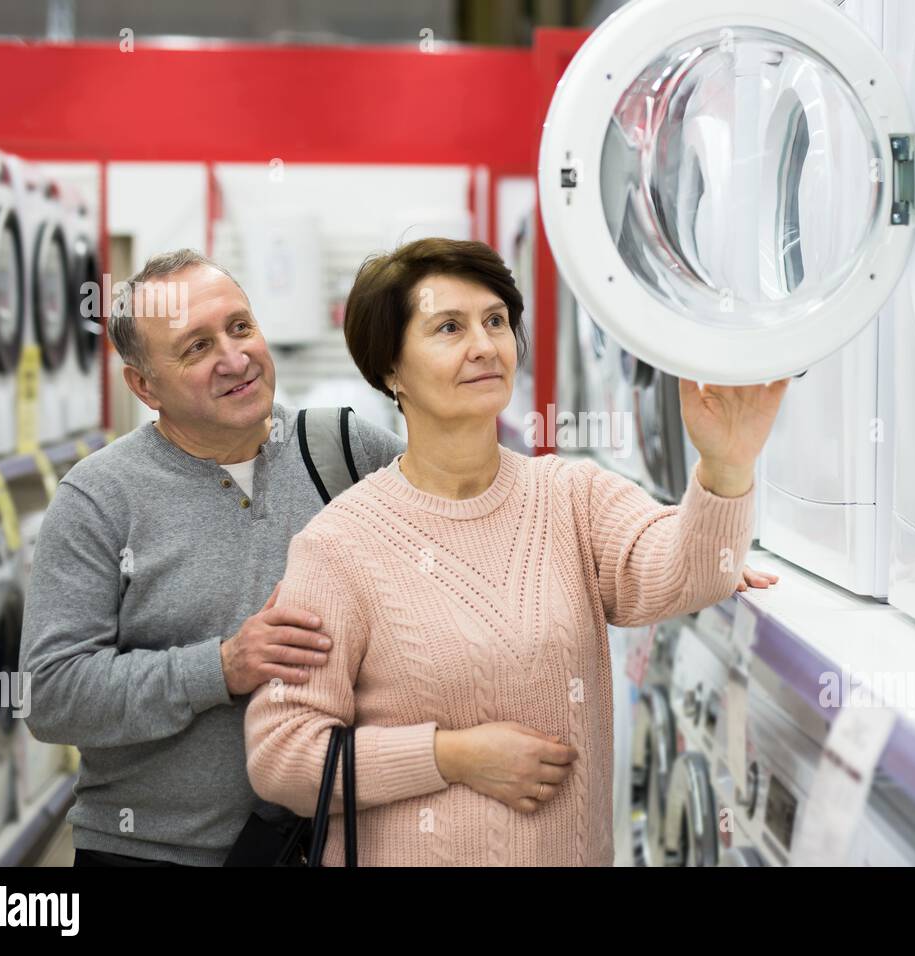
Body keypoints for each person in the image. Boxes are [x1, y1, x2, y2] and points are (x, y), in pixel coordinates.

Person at [245, 238, 788, 865]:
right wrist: (453, 755)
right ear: (391, 370)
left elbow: (686, 574)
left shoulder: (572, 495)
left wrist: (725, 465)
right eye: (449, 327)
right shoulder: (340, 547)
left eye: (496, 322)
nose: (485, 345)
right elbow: (282, 757)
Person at [18, 249, 406, 866]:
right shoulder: (98, 498)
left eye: (240, 326)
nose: (234, 359)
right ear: (144, 386)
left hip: (323, 846)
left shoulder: (346, 451)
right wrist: (221, 668)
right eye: (196, 348)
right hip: (149, 852)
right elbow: (51, 694)